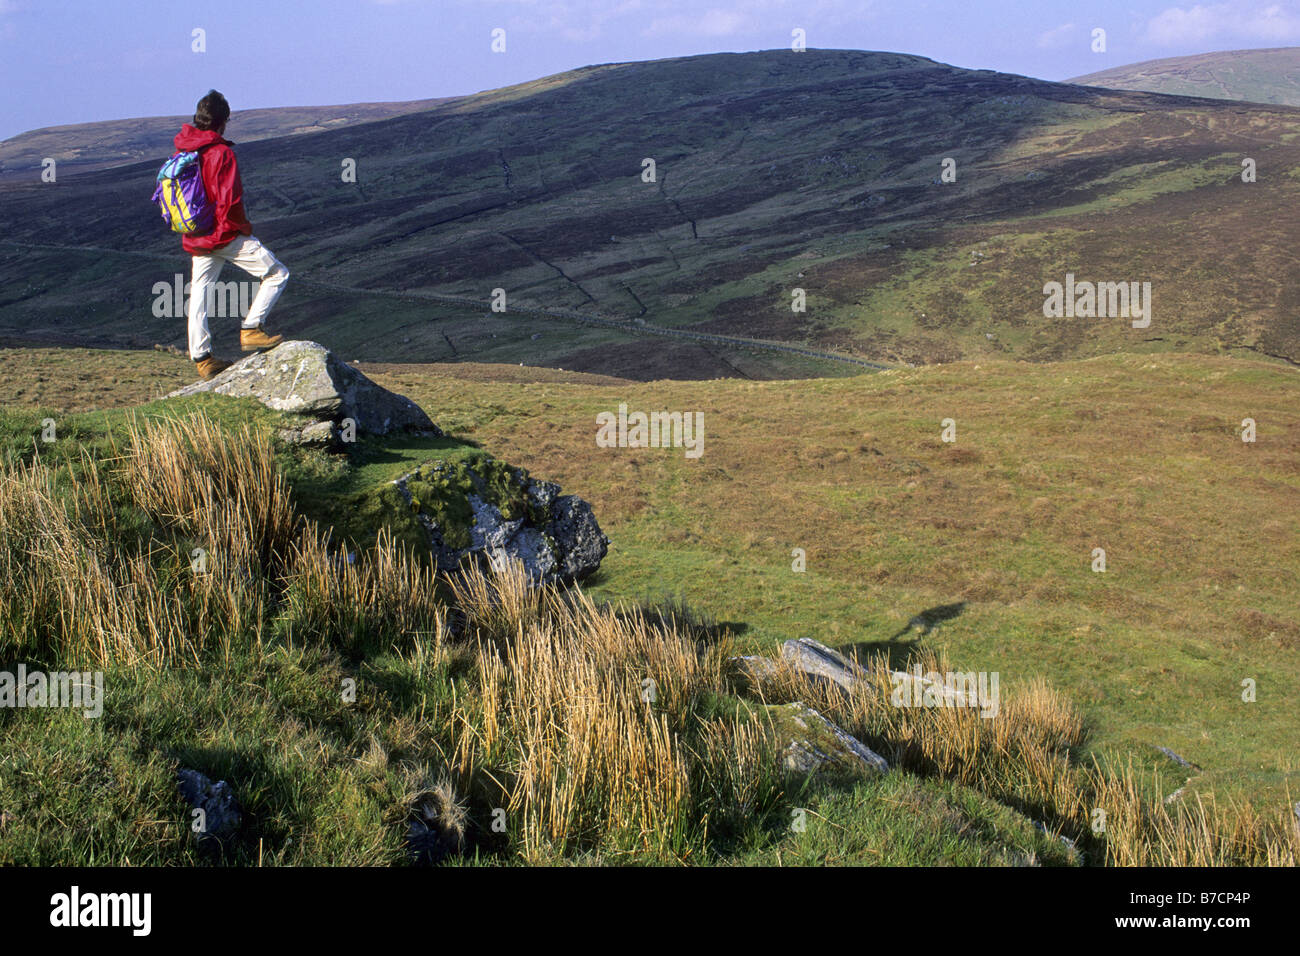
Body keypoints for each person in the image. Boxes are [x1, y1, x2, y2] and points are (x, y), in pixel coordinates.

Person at [174, 90, 287, 380]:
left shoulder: (183, 151)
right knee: (277, 274)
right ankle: (251, 328)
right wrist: (241, 230)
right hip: (222, 235)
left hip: (195, 235)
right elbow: (230, 200)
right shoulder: (221, 153)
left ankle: (202, 359)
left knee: (199, 293)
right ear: (223, 121)